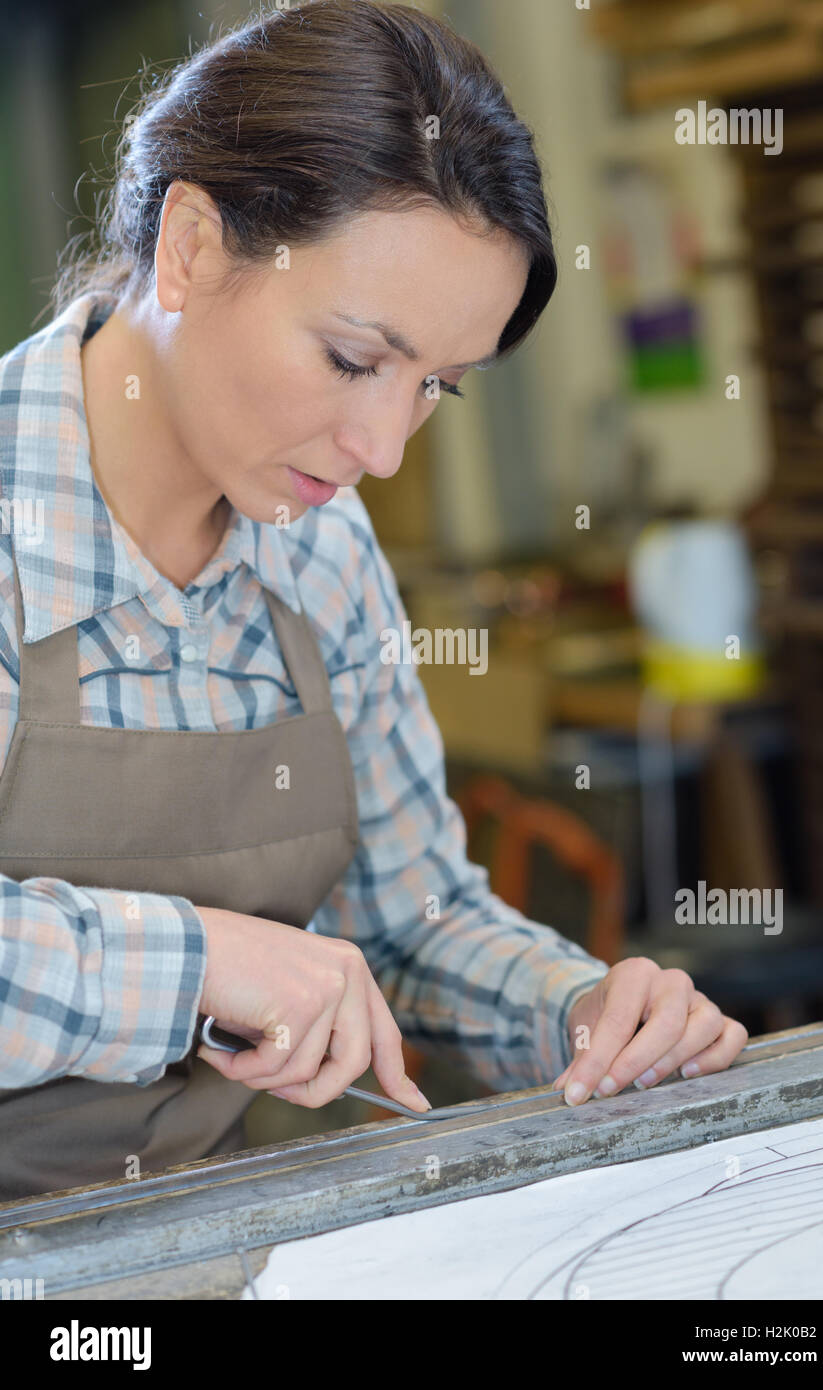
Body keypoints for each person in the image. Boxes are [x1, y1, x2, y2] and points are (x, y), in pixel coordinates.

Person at [0, 0, 746, 1201]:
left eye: (436, 386)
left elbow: (402, 920)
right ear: (189, 244)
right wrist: (199, 966)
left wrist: (583, 1008)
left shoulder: (319, 548)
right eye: (353, 359)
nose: (383, 448)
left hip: (182, 1242)